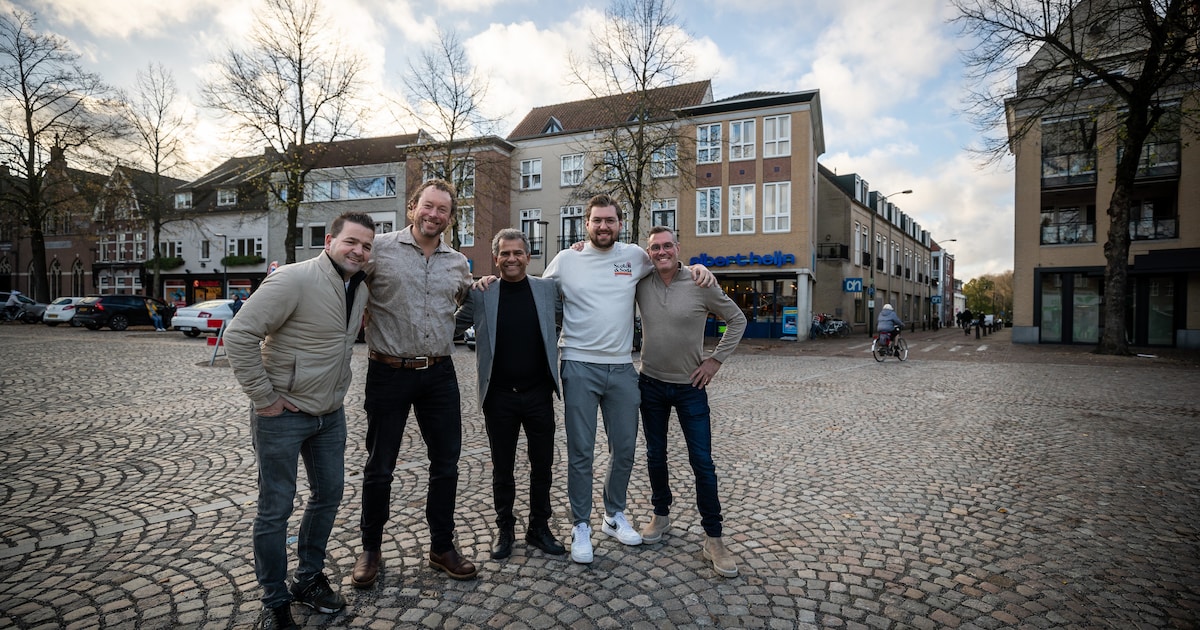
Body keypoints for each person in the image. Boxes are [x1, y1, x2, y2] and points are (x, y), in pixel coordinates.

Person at [543, 193, 714, 564]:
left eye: (610, 220)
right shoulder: (565, 260)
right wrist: (491, 280)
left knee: (624, 449)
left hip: (622, 369)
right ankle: (580, 525)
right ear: (585, 224)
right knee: (581, 451)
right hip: (578, 364)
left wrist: (699, 268)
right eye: (596, 220)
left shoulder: (635, 257)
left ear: (620, 224)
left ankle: (612, 514)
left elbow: (670, 266)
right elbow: (534, 294)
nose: (603, 226)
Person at [223, 211, 375, 630]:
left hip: (329, 414)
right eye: (351, 242)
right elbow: (239, 335)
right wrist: (264, 398)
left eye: (366, 246)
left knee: (328, 495)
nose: (359, 251)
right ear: (330, 240)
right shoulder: (294, 278)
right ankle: (274, 599)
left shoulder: (358, 284)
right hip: (282, 415)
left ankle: (307, 579)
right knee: (275, 508)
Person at [353, 179, 477, 587]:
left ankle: (442, 546)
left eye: (443, 210)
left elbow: (466, 302)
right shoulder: (379, 250)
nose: (434, 215)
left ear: (450, 217)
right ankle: (371, 549)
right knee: (379, 466)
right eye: (428, 206)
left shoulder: (457, 262)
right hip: (388, 372)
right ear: (413, 207)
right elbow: (343, 278)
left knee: (446, 464)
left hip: (439, 374)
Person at [635, 226, 746, 578]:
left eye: (668, 246)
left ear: (678, 248)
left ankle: (714, 538)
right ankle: (661, 515)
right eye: (655, 247)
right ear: (648, 252)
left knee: (702, 462)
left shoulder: (701, 283)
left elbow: (737, 319)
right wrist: (579, 246)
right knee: (655, 455)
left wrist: (715, 360)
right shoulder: (641, 281)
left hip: (689, 388)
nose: (662, 251)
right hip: (650, 384)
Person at [454, 228, 566, 560]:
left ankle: (539, 527)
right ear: (496, 258)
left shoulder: (547, 290)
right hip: (499, 396)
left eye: (518, 253)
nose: (512, 258)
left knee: (542, 465)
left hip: (538, 394)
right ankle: (505, 528)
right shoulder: (482, 294)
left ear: (528, 257)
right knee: (502, 468)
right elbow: (452, 327)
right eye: (505, 253)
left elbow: (562, 321)